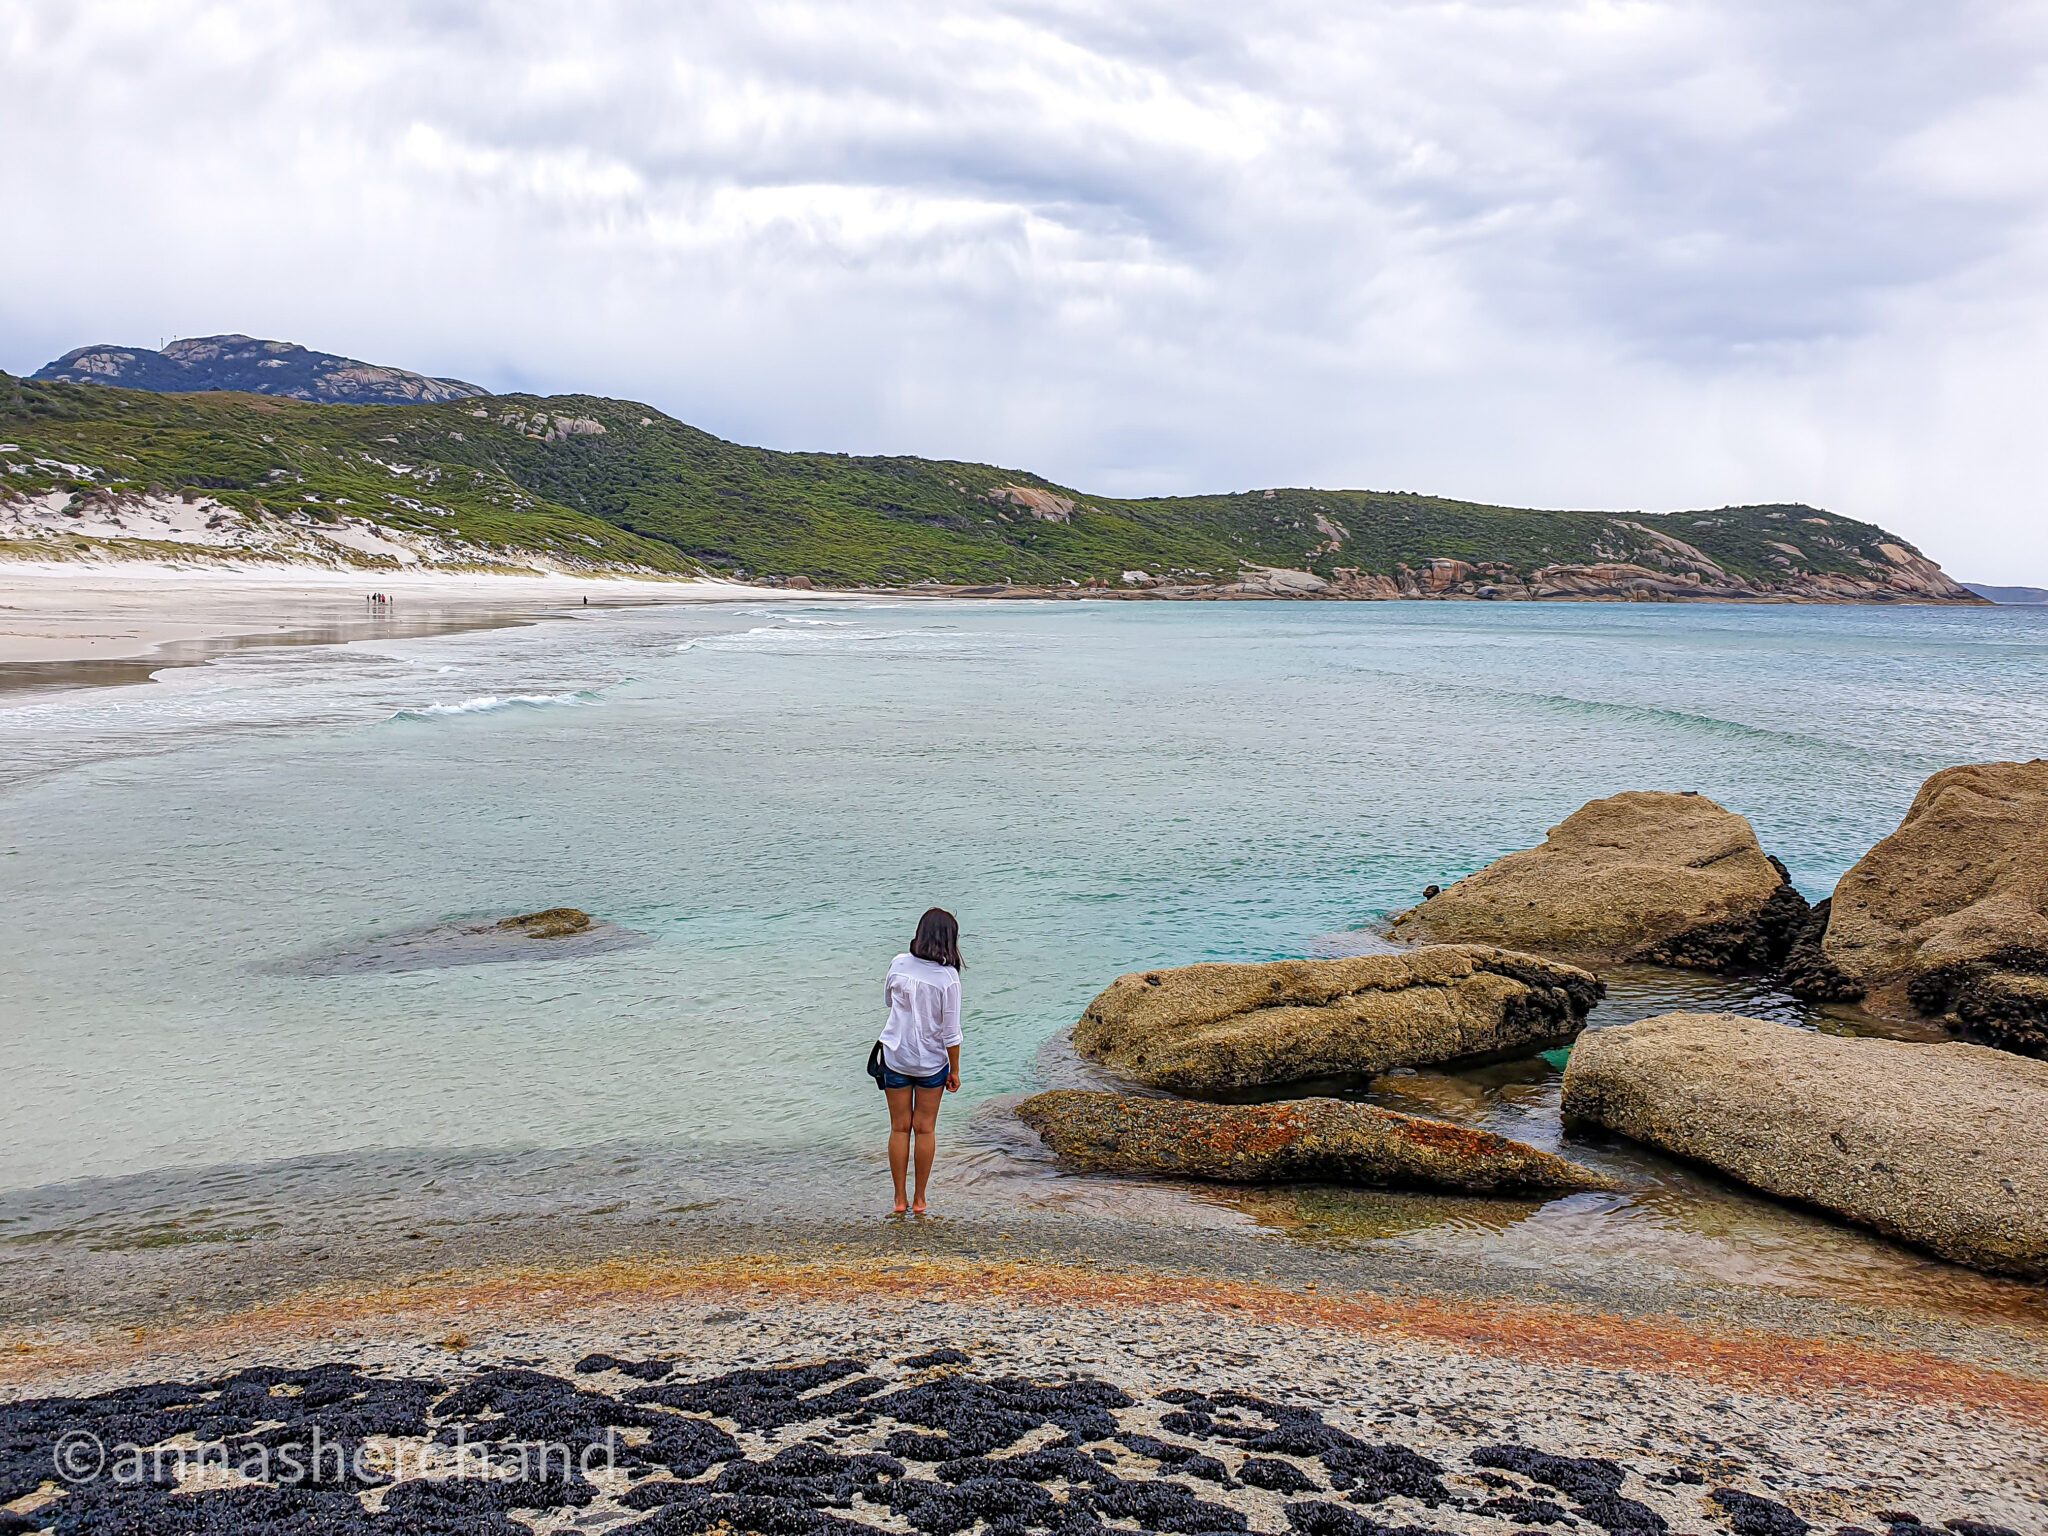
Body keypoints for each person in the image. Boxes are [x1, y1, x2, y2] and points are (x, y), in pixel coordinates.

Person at [875, 907, 963, 1215]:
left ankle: (899, 1200)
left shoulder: (899, 964)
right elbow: (951, 1034)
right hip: (930, 1062)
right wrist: (954, 1070)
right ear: (949, 941)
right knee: (924, 1129)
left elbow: (888, 1000)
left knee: (899, 1128)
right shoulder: (947, 978)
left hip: (896, 1057)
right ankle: (919, 1200)